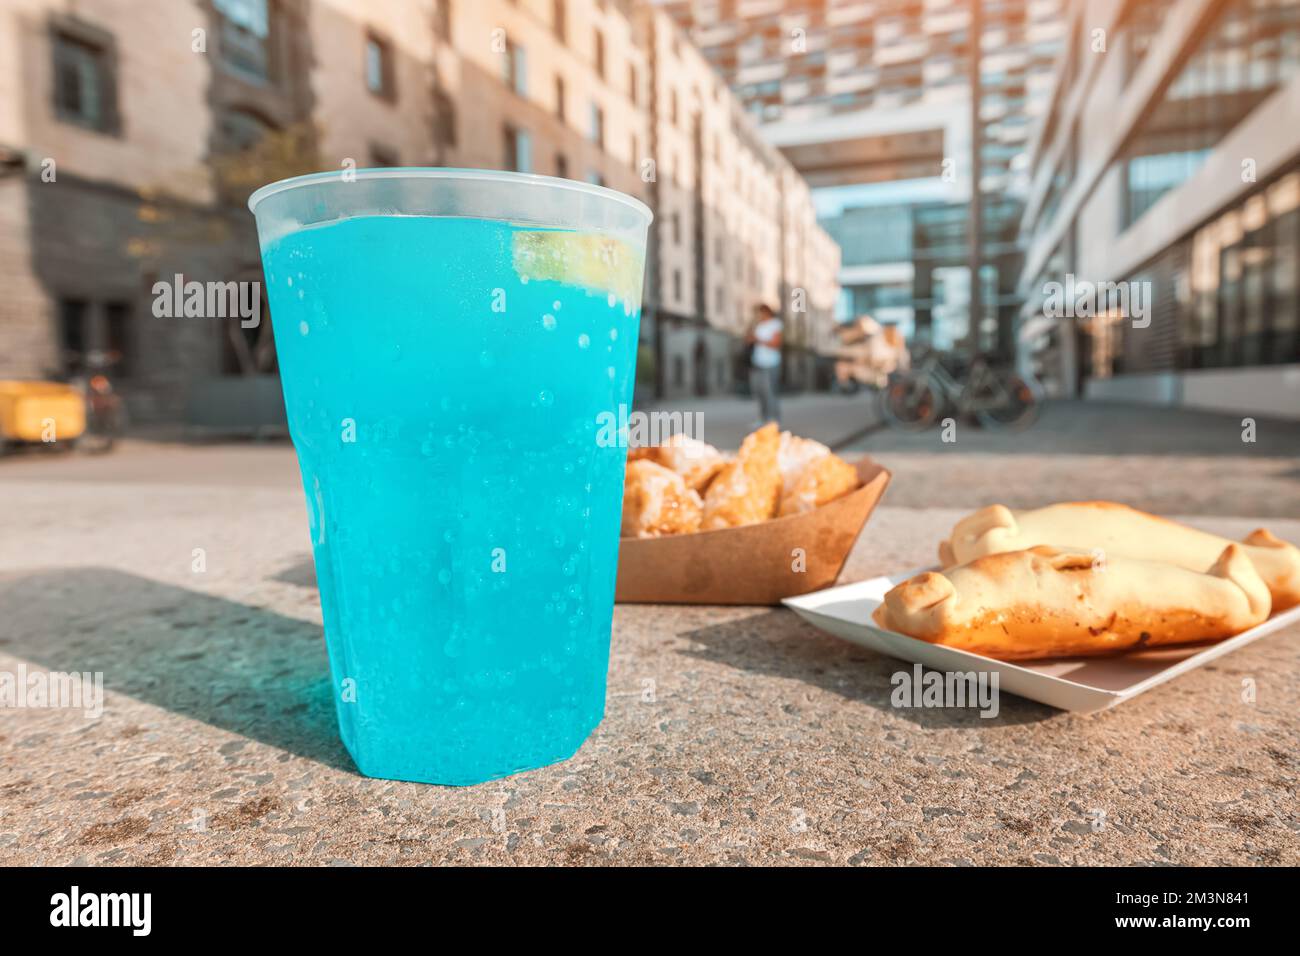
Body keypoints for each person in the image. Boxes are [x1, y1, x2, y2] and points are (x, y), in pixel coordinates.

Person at [746, 303, 783, 425]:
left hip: (771, 363)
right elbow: (749, 341)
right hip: (758, 362)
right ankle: (763, 418)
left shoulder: (775, 324)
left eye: (760, 313)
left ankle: (774, 419)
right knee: (760, 392)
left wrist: (758, 340)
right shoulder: (759, 326)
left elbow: (776, 344)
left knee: (770, 392)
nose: (758, 315)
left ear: (766, 312)